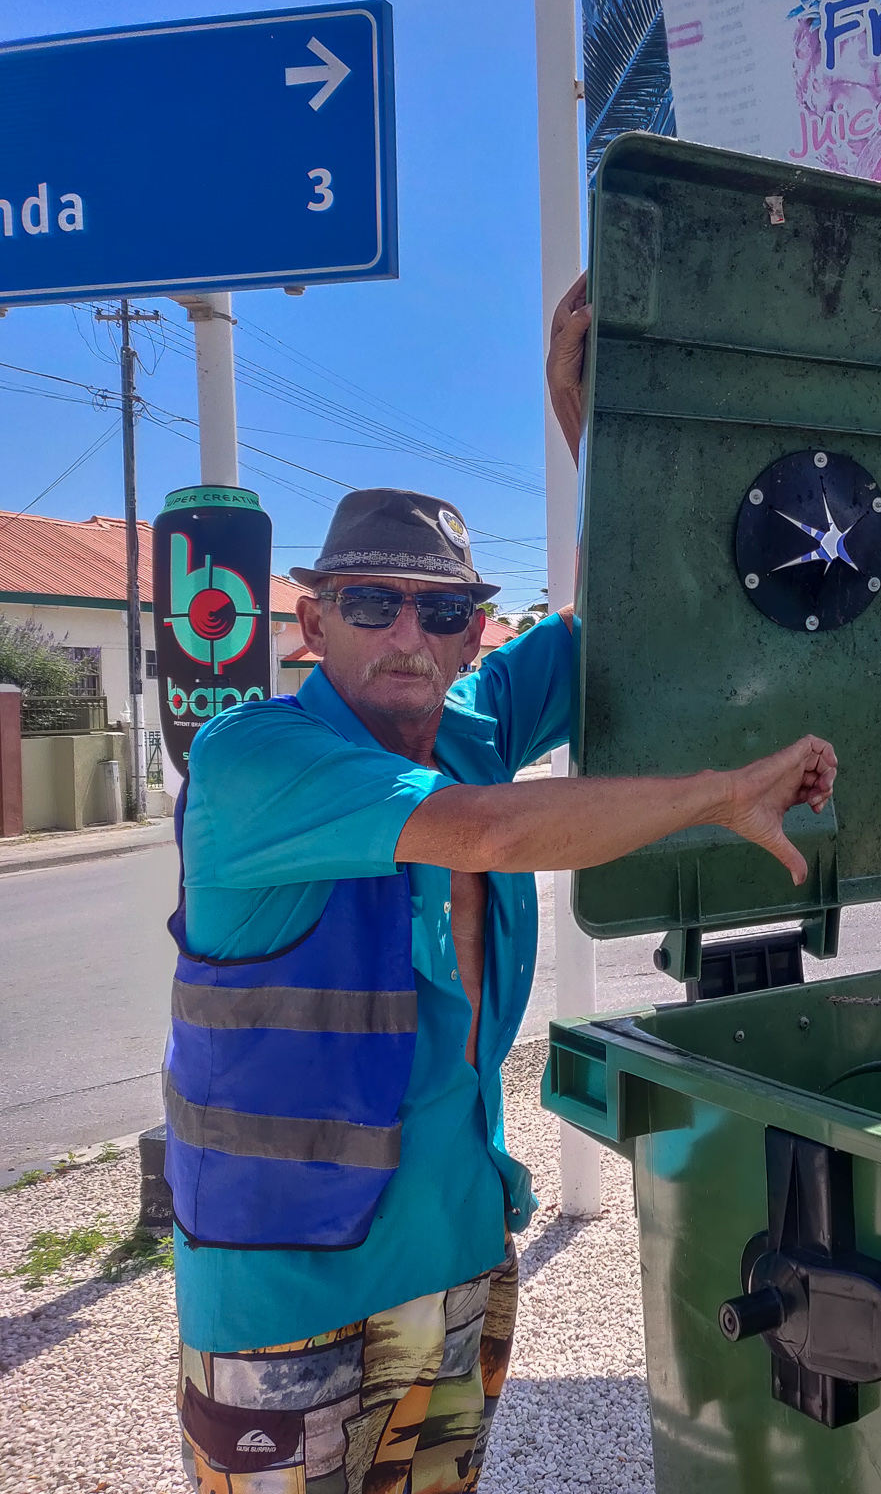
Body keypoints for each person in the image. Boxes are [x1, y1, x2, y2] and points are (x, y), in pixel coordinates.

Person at [166, 277, 836, 1493]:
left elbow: (612, 620)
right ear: (313, 622)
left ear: (478, 630)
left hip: (461, 1254)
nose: (409, 637)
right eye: (372, 605)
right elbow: (483, 831)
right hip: (280, 1296)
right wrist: (713, 793)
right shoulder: (252, 759)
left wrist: (589, 424)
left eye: (445, 611)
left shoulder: (469, 723)